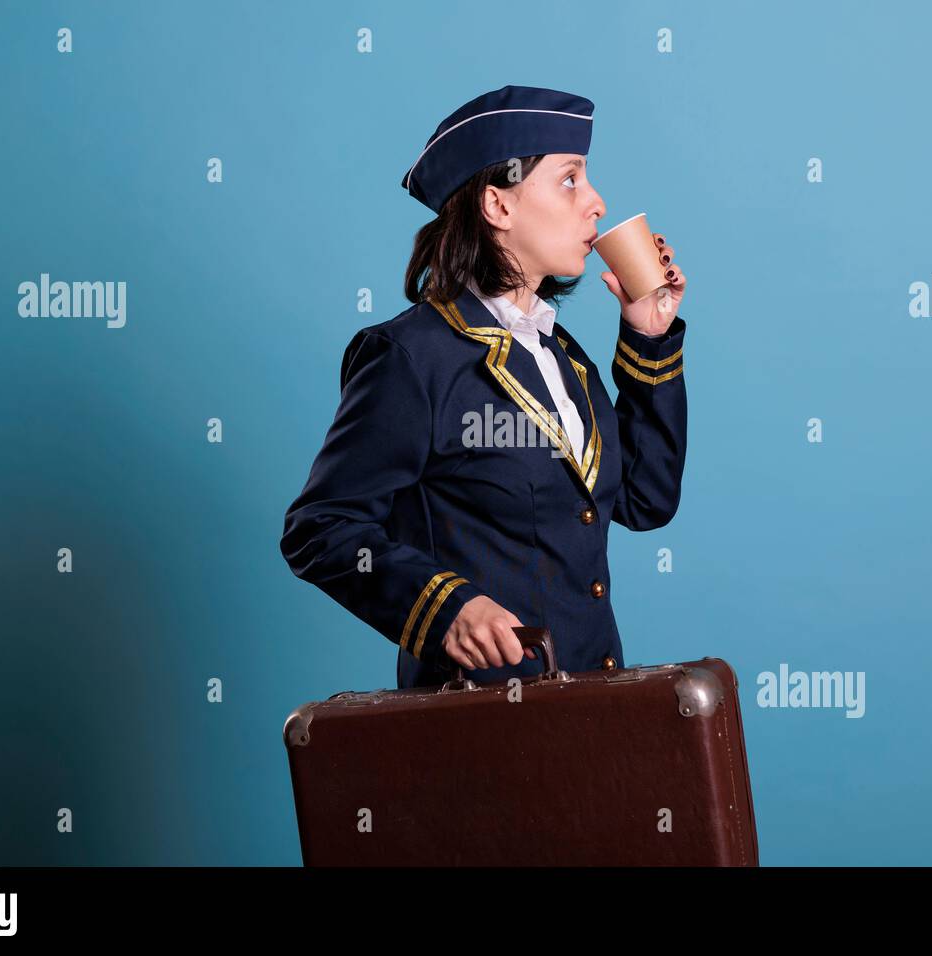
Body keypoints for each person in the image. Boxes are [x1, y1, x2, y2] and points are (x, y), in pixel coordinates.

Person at [279, 84, 688, 689]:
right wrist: (447, 609)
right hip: (478, 730)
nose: (596, 202)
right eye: (570, 179)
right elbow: (321, 528)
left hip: (593, 720)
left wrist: (647, 336)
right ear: (497, 205)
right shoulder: (411, 357)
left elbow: (645, 500)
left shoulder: (562, 357)